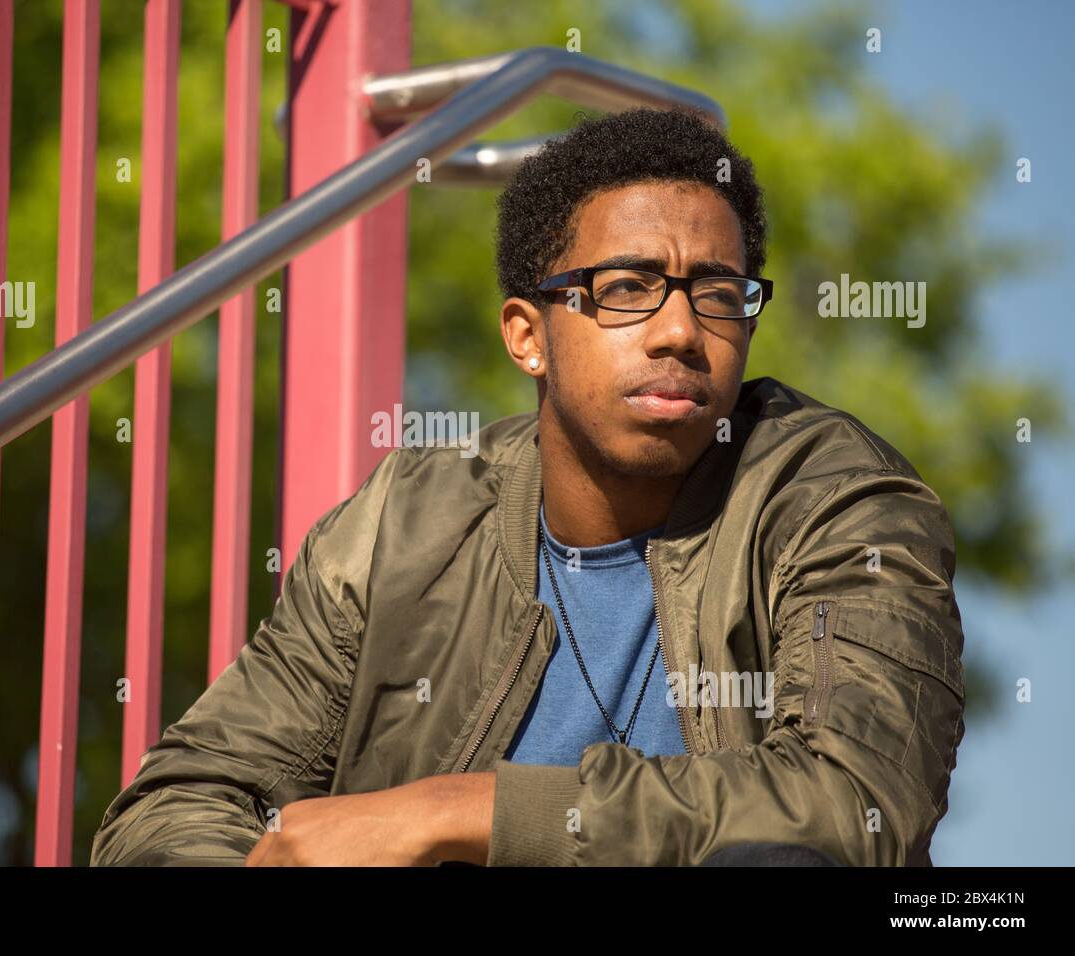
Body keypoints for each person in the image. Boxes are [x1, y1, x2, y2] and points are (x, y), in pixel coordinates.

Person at [90, 106, 965, 867]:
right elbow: (181, 802)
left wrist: (449, 814)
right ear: (527, 336)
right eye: (625, 288)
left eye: (718, 293)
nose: (679, 332)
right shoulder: (407, 525)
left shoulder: (836, 502)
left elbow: (855, 806)